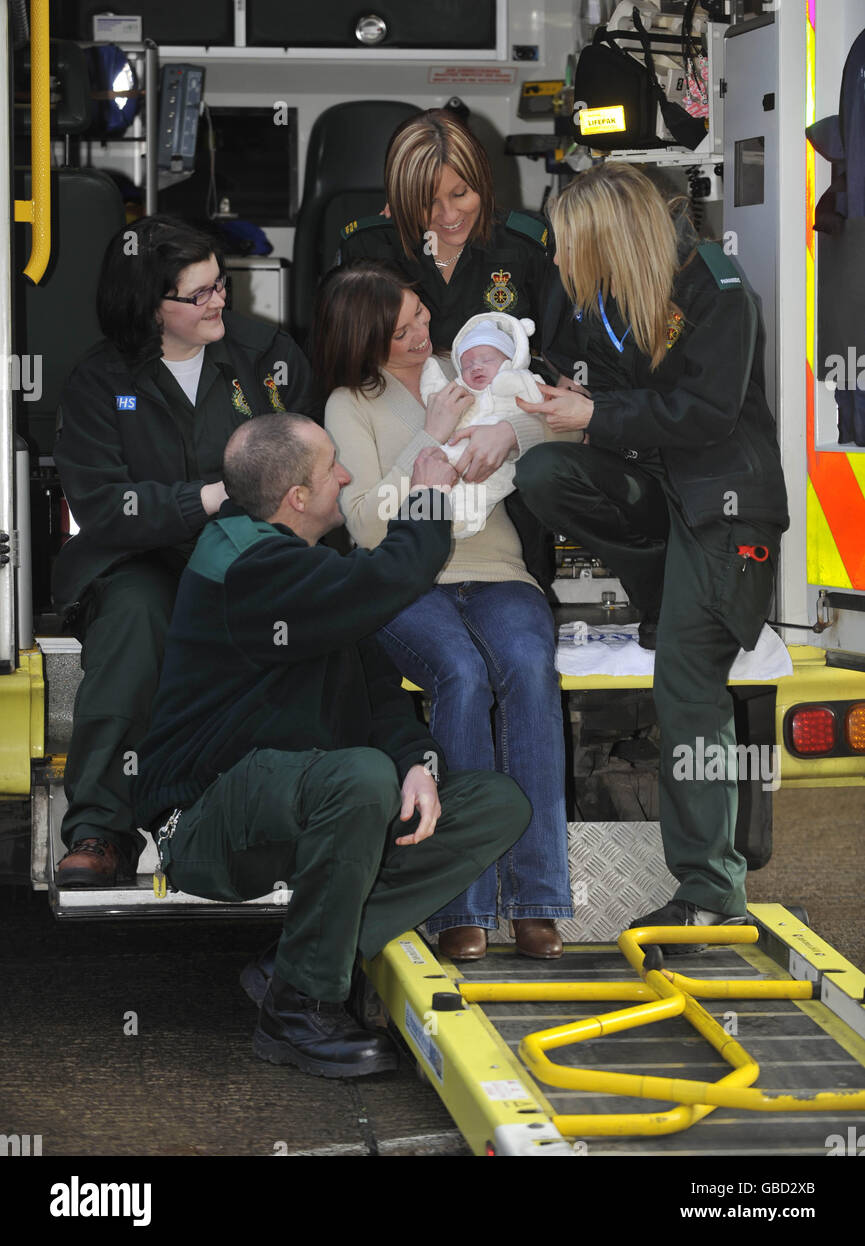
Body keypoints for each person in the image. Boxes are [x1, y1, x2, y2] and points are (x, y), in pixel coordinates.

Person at [133, 412, 531, 1077]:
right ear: (296, 497)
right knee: (360, 777)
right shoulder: (244, 561)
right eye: (331, 469)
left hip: (304, 806)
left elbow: (378, 695)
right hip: (206, 821)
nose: (345, 477)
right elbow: (380, 582)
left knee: (495, 803)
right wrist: (426, 502)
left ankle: (297, 962)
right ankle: (299, 1011)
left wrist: (416, 767)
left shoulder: (310, 568)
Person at [514, 162, 789, 945]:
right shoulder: (594, 295)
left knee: (685, 686)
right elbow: (589, 401)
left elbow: (702, 415)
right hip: (660, 499)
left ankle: (710, 891)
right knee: (544, 472)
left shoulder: (714, 284)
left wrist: (593, 411)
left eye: (571, 242)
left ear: (610, 234)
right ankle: (663, 598)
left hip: (722, 509)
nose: (560, 258)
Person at [318, 261, 574, 962]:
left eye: (422, 317)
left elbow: (564, 425)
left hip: (497, 571)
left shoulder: (471, 365)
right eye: (401, 331)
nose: (421, 333)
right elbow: (369, 527)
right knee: (459, 674)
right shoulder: (349, 404)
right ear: (363, 337)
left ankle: (535, 900)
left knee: (527, 668)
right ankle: (458, 901)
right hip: (404, 580)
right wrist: (427, 438)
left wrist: (515, 434)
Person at [53, 216, 317, 887]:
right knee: (136, 619)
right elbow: (104, 508)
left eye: (219, 285)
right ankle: (99, 827)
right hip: (135, 560)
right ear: (151, 307)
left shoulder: (266, 358)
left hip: (245, 552)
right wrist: (209, 496)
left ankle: (276, 821)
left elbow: (306, 466)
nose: (219, 301)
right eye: (198, 295)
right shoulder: (98, 381)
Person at [337, 107, 555, 354]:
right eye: (427, 202)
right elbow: (343, 359)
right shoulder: (367, 249)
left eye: (460, 194)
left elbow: (558, 355)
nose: (450, 215)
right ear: (400, 199)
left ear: (483, 182)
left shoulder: (526, 244)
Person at [420, 312, 547, 536]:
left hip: (499, 462)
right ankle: (439, 517)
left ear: (511, 360)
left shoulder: (522, 382)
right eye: (467, 364)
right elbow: (436, 397)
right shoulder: (461, 389)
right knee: (445, 481)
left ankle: (464, 520)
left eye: (487, 360)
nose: (476, 367)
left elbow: (544, 409)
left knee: (485, 487)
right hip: (455, 452)